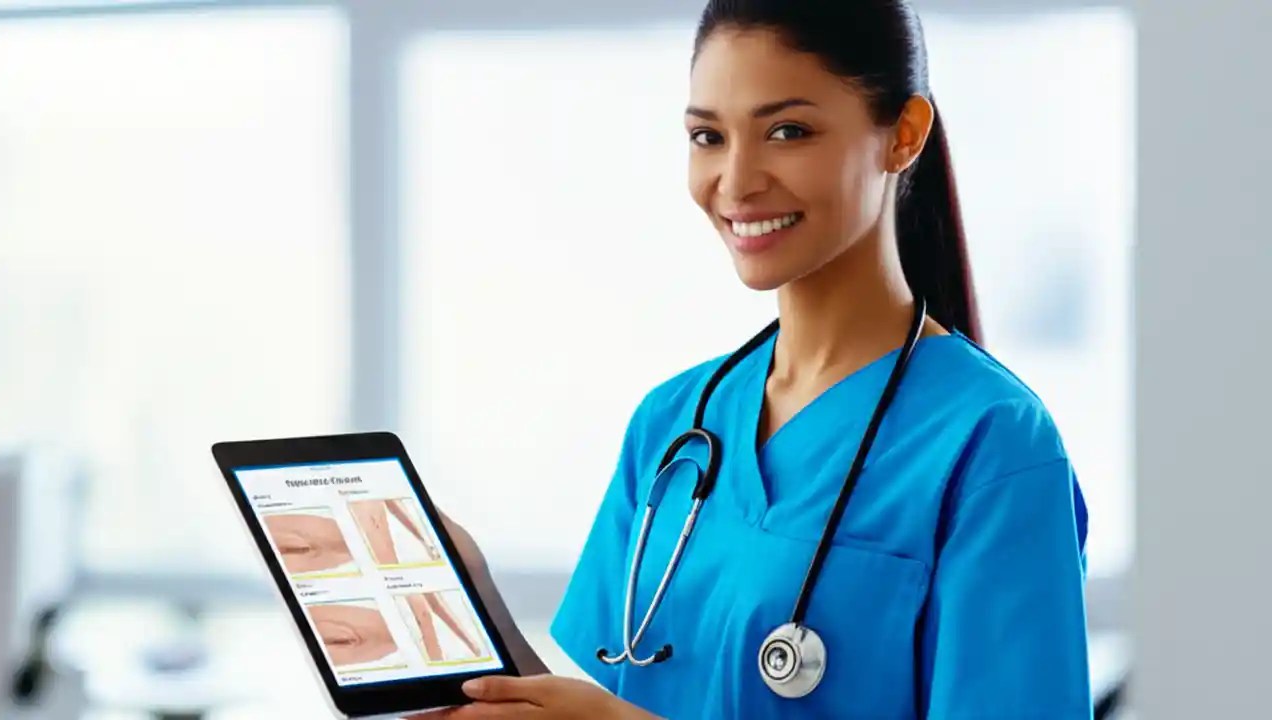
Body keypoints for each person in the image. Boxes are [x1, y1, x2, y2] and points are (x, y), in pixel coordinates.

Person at [422, 0, 1091, 717]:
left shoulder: (991, 445)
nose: (736, 181)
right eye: (708, 136)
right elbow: (620, 707)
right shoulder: (676, 423)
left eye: (786, 131)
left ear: (903, 135)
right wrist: (476, 609)